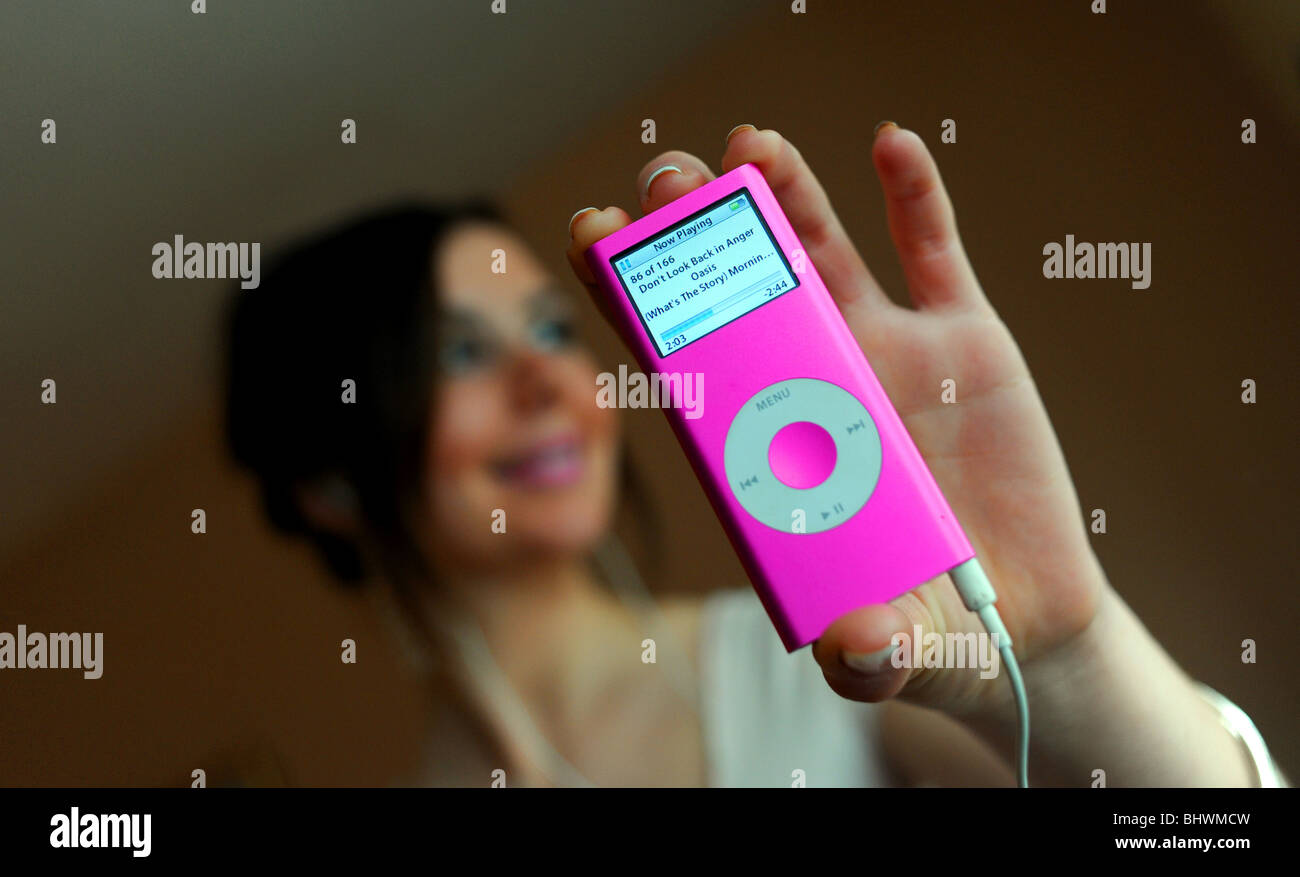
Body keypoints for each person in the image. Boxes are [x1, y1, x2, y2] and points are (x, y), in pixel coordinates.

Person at [225, 122, 1284, 787]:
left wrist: (1067, 657)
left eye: (552, 331)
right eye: (459, 352)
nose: (549, 383)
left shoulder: (835, 665)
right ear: (323, 482)